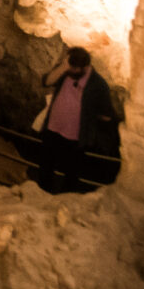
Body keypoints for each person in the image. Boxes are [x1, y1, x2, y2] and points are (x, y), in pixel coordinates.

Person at [36, 47, 119, 193]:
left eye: (74, 68)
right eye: (69, 66)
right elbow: (46, 82)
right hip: (53, 128)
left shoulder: (98, 84)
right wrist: (63, 67)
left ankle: (65, 200)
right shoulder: (65, 71)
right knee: (46, 166)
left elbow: (107, 115)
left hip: (76, 137)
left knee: (71, 173)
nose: (70, 70)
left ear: (85, 67)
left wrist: (88, 117)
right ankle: (42, 193)